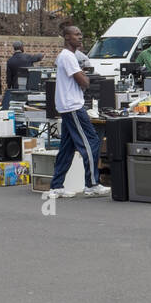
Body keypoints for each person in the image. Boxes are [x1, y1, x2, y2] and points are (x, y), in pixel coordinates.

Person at [46, 24, 107, 199]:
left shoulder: (68, 56)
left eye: (80, 34)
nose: (80, 37)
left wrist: (83, 76)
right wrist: (84, 76)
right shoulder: (68, 57)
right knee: (91, 142)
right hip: (73, 106)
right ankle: (92, 184)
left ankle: (56, 186)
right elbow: (84, 82)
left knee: (67, 147)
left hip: (67, 107)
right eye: (76, 34)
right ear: (66, 37)